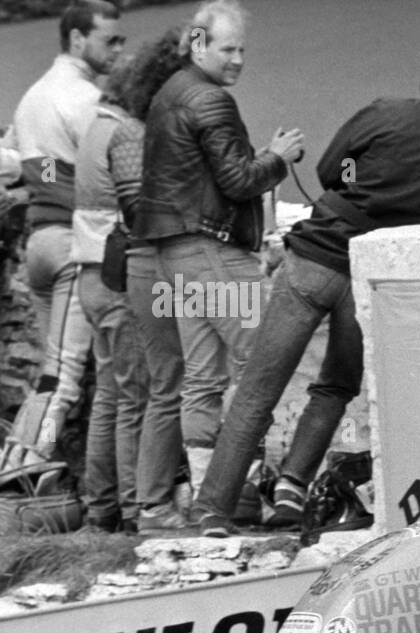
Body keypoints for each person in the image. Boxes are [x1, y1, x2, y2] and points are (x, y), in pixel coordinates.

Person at [194, 33, 420, 537]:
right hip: (369, 281)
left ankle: (214, 512)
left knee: (259, 387)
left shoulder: (383, 112)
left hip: (312, 261)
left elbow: (329, 171)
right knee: (335, 387)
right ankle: (292, 489)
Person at [135, 0, 303, 508]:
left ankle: (210, 498)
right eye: (227, 48)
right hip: (211, 251)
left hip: (173, 256)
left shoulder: (169, 93)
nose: (237, 59)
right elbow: (238, 179)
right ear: (198, 43)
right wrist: (278, 158)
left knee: (203, 379)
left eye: (242, 49)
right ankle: (248, 489)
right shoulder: (211, 100)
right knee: (262, 365)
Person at [2, 0, 127, 470]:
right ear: (77, 39)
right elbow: (113, 173)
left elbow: (7, 157)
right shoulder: (86, 100)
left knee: (50, 370)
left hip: (37, 247)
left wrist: (36, 174)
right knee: (64, 379)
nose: (118, 49)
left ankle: (18, 457)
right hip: (73, 248)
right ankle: (26, 464)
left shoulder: (33, 94)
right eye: (109, 39)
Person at [111, 27, 189, 531]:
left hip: (169, 262)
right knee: (166, 383)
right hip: (153, 264)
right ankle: (150, 505)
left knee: (182, 380)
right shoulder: (132, 134)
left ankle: (157, 498)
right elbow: (140, 211)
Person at [72, 55, 149, 533]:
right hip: (118, 275)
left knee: (108, 394)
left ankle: (100, 507)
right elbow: (138, 209)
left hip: (88, 271)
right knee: (135, 396)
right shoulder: (125, 133)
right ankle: (134, 505)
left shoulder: (93, 128)